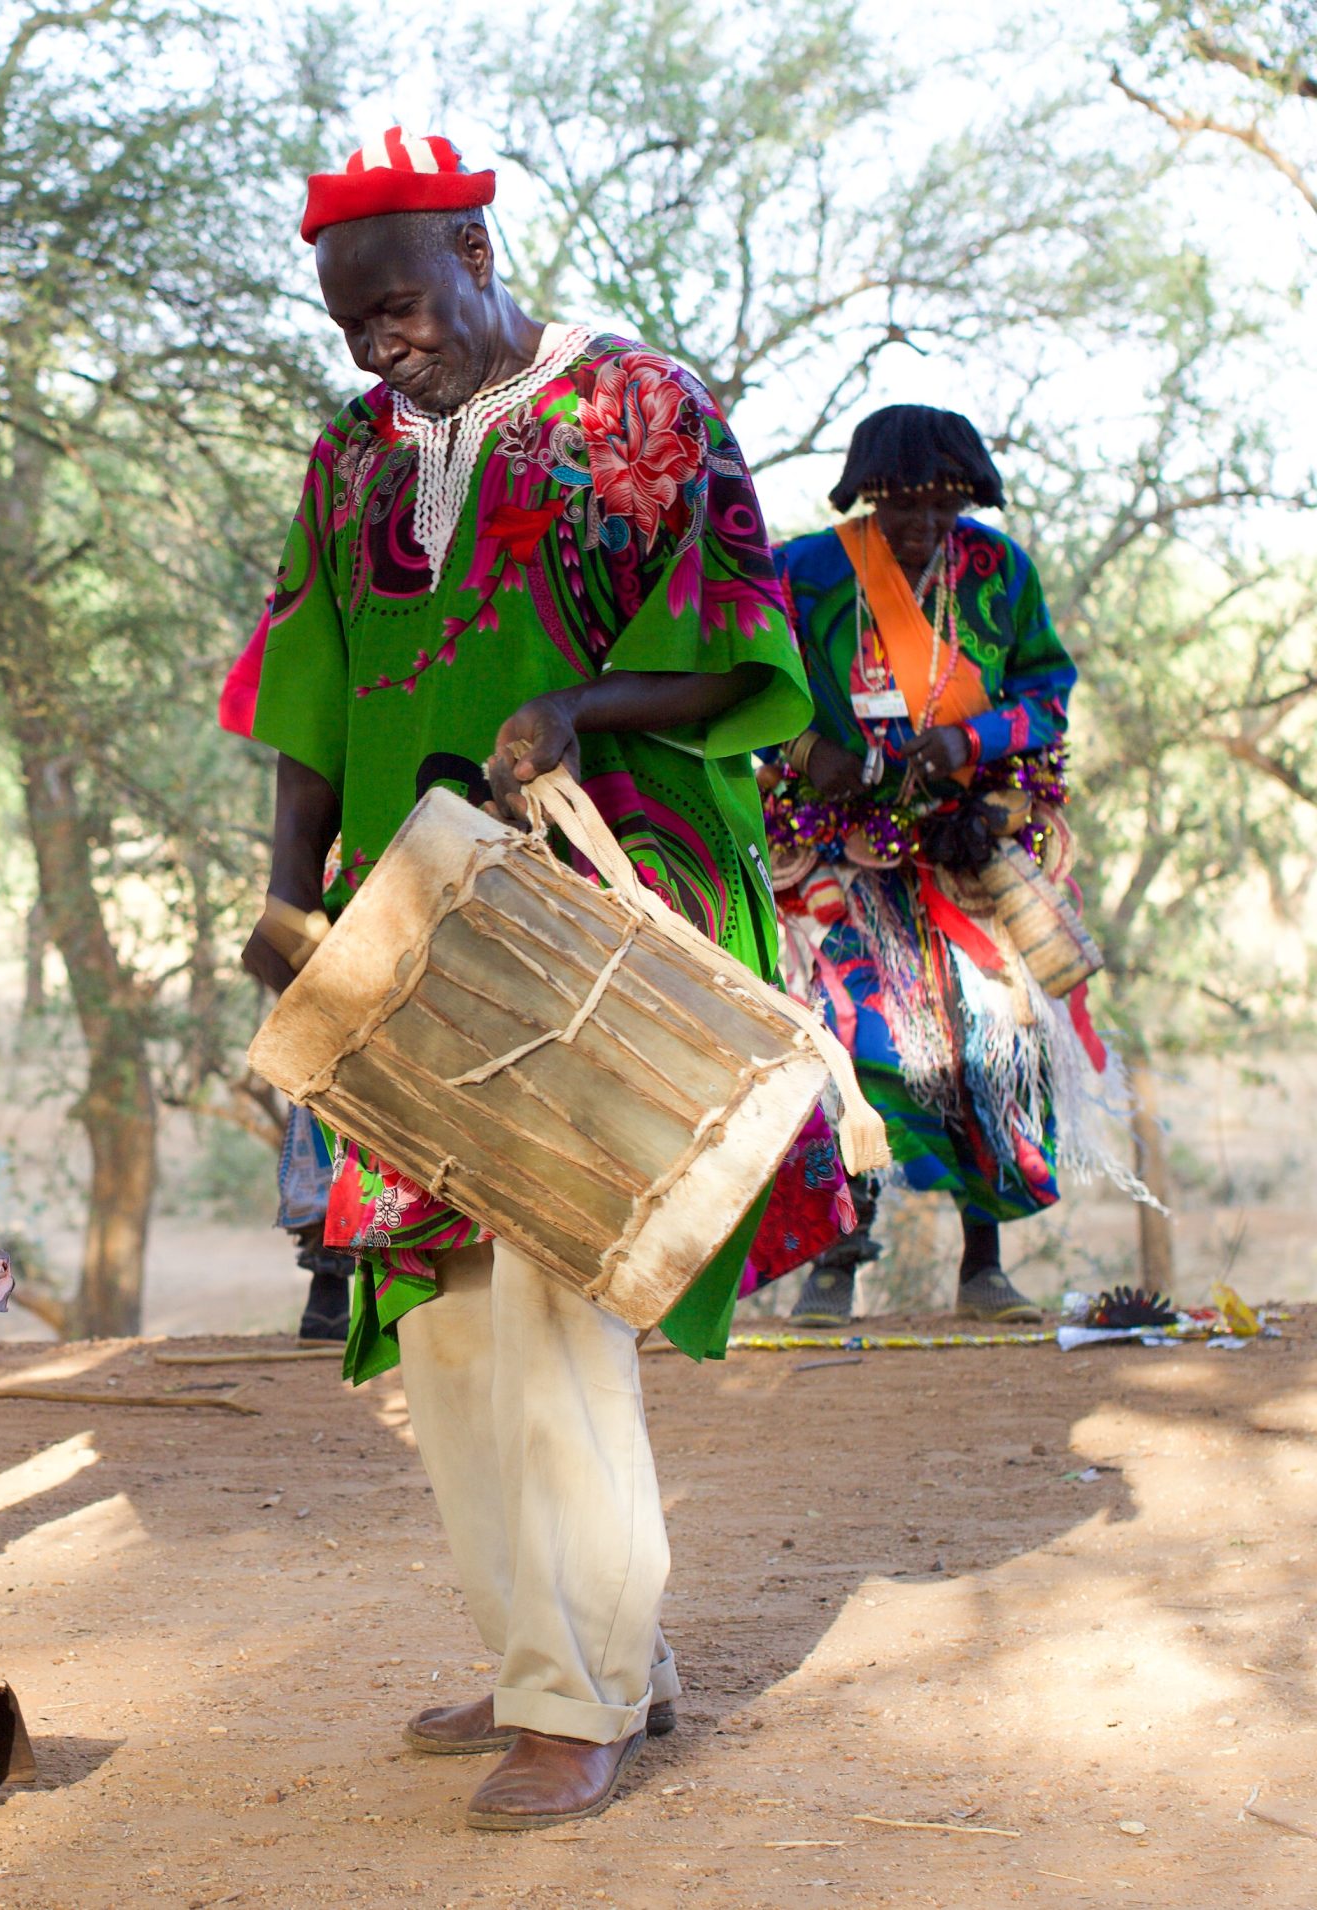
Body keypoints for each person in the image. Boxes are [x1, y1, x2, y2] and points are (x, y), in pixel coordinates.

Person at [240, 130, 825, 1830]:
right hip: (403, 908)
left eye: (402, 305)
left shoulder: (639, 405)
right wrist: (285, 895)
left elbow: (729, 627)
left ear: (484, 245)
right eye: (352, 324)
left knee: (559, 1290)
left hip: (603, 888)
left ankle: (579, 1692)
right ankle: (558, 1665)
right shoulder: (351, 456)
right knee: (443, 1309)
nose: (381, 346)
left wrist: (586, 707)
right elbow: (308, 687)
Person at [768, 407, 1120, 1327]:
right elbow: (750, 686)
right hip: (835, 843)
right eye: (904, 504)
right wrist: (813, 758)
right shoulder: (808, 571)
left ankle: (984, 1266)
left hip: (966, 846)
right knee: (849, 1039)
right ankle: (837, 1261)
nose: (925, 524)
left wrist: (968, 741)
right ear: (869, 495)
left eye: (946, 503)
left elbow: (1049, 698)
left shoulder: (1000, 574)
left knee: (992, 1041)